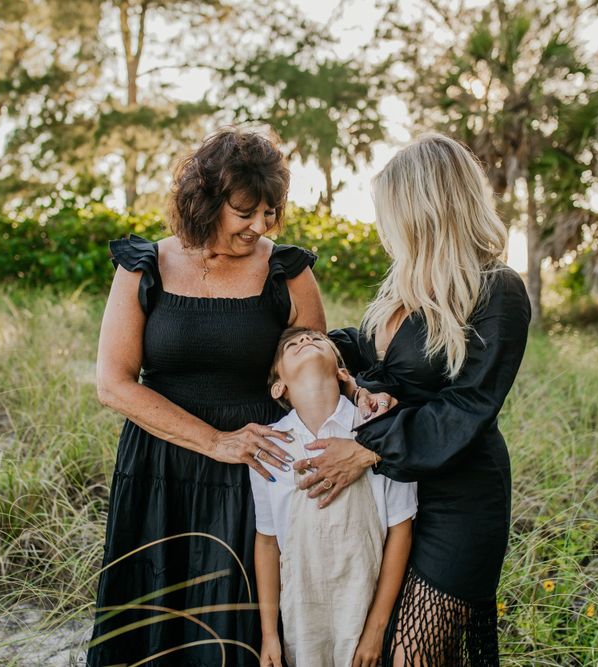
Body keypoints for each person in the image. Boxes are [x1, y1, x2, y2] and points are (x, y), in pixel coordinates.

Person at [88, 127, 327, 666]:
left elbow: (313, 380)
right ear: (207, 200)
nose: (259, 226)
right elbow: (114, 384)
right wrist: (215, 440)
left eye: (269, 212)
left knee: (239, 633)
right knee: (155, 632)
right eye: (245, 212)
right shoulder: (142, 266)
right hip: (160, 469)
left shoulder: (288, 272)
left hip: (257, 469)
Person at [293, 133, 532, 666]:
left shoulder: (498, 290)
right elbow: (368, 355)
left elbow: (467, 407)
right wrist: (311, 346)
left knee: (412, 657)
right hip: (394, 498)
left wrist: (365, 449)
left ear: (425, 209)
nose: (384, 227)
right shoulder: (404, 286)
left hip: (459, 501)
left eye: (390, 212)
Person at [249, 327, 416, 667]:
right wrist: (270, 633)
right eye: (292, 345)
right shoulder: (269, 445)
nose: (305, 342)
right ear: (278, 386)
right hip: (302, 615)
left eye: (316, 340)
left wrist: (375, 630)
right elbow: (267, 542)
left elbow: (401, 530)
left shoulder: (378, 428)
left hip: (365, 605)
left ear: (342, 371)